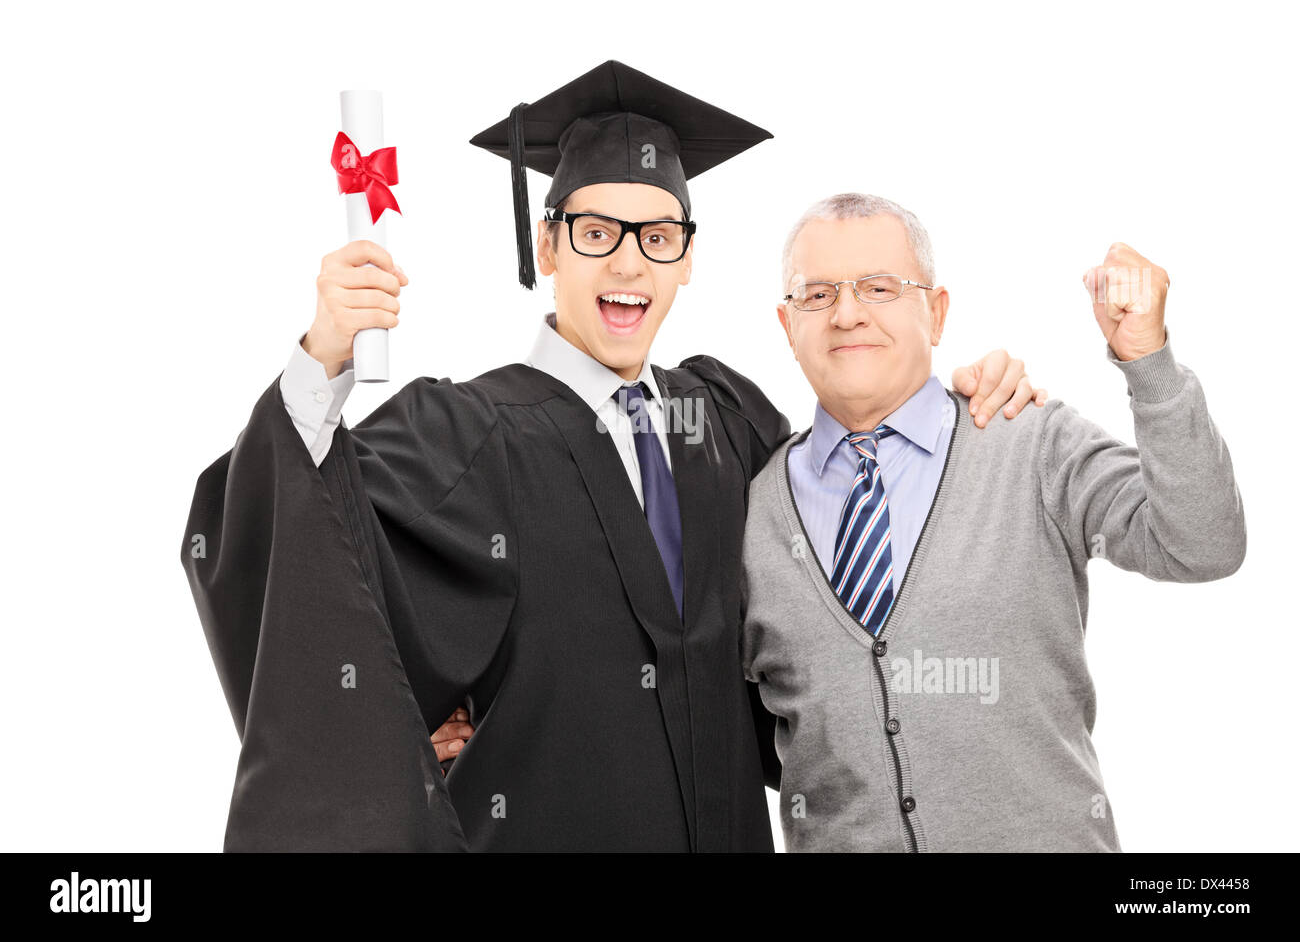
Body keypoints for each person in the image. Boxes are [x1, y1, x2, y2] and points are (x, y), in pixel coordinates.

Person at [181, 63, 1040, 852]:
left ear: (688, 258)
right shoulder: (469, 429)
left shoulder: (725, 419)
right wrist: (325, 353)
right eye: (596, 231)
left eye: (658, 235)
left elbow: (853, 526)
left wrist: (956, 399)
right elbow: (301, 542)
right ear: (547, 247)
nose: (630, 260)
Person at [740, 193, 1247, 851]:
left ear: (937, 311)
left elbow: (1204, 543)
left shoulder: (1028, 442)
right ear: (786, 325)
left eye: (879, 286)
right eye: (816, 295)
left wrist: (1148, 361)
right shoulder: (748, 516)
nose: (847, 313)